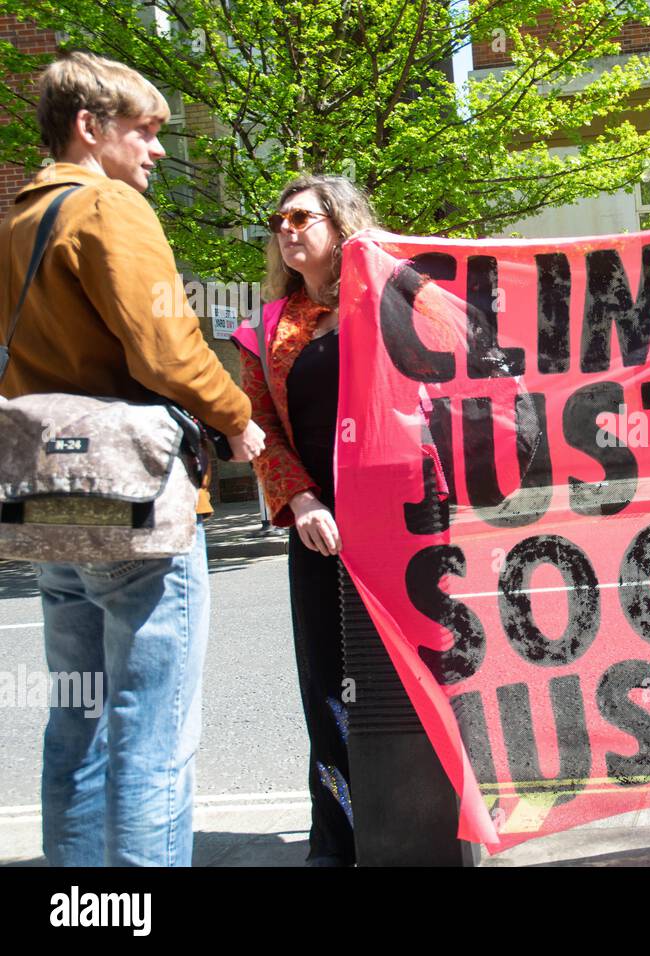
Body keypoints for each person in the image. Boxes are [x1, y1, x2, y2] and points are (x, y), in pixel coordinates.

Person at [0, 51, 266, 866]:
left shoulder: (17, 219)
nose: (156, 148)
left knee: (75, 723)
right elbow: (166, 348)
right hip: (133, 500)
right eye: (144, 130)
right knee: (152, 733)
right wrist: (238, 419)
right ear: (90, 127)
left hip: (48, 497)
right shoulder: (107, 207)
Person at [231, 175, 377, 866]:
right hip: (320, 526)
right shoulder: (266, 330)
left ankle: (434, 820)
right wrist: (302, 499)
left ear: (340, 225)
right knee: (328, 684)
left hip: (402, 521)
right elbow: (259, 426)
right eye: (277, 219)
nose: (286, 229)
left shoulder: (393, 300)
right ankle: (339, 837)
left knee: (418, 678)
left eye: (301, 216)